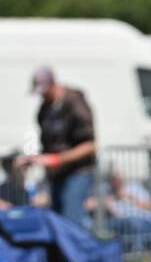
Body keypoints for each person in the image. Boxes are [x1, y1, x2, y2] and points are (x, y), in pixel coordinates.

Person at [16, 68, 97, 228]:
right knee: (58, 223)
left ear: (53, 84)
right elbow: (48, 147)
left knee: (71, 223)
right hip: (56, 176)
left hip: (77, 172)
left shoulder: (75, 102)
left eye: (44, 91)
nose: (42, 96)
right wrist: (33, 159)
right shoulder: (44, 110)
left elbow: (90, 146)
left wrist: (56, 160)